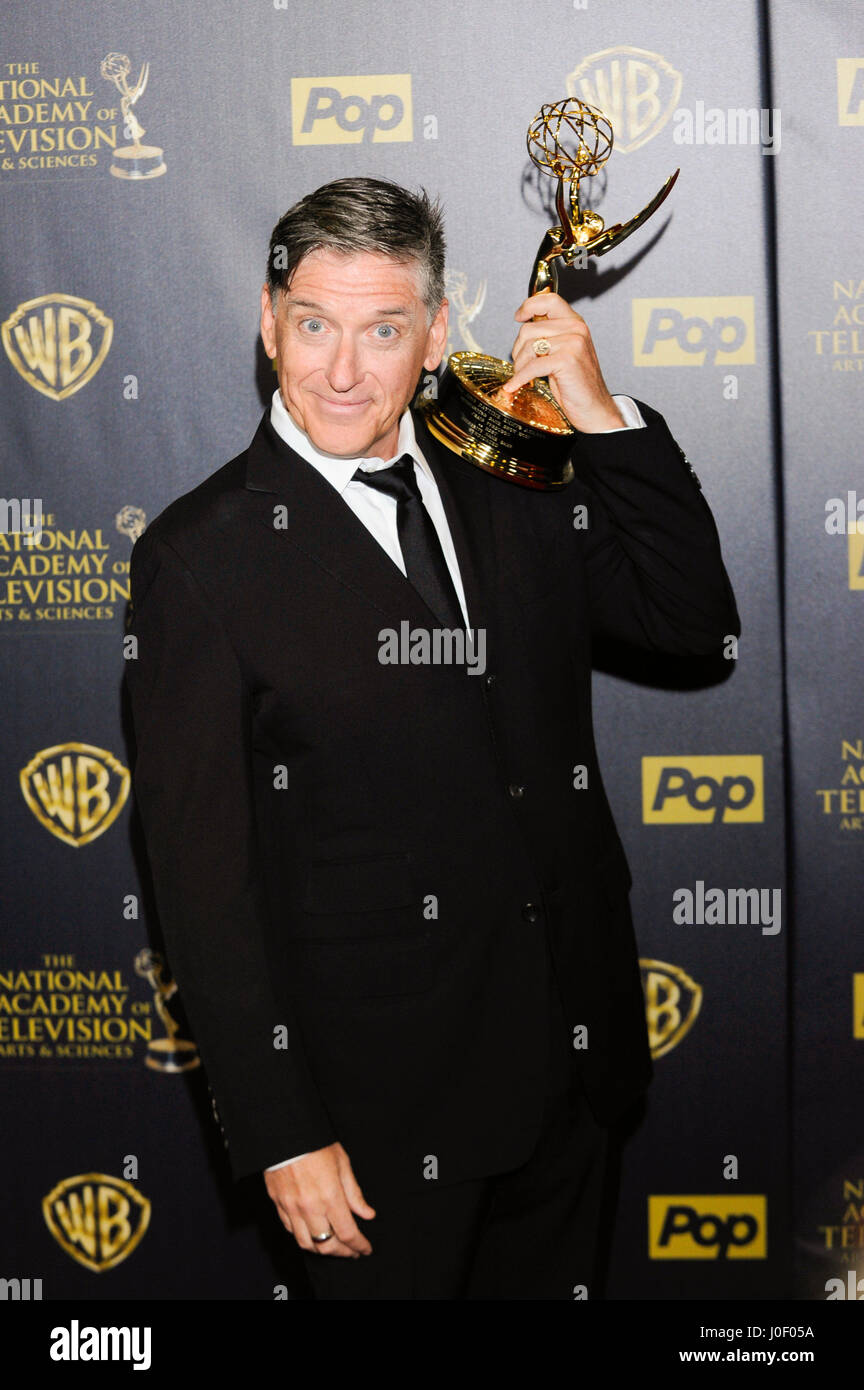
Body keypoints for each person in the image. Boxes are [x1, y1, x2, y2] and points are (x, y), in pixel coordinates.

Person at [125, 176, 739, 1300]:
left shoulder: (516, 479)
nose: (342, 371)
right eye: (314, 324)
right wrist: (280, 1129)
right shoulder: (198, 559)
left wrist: (601, 414)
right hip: (370, 1126)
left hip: (570, 1078)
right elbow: (203, 886)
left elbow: (693, 621)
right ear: (269, 324)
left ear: (437, 336)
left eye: (383, 330)